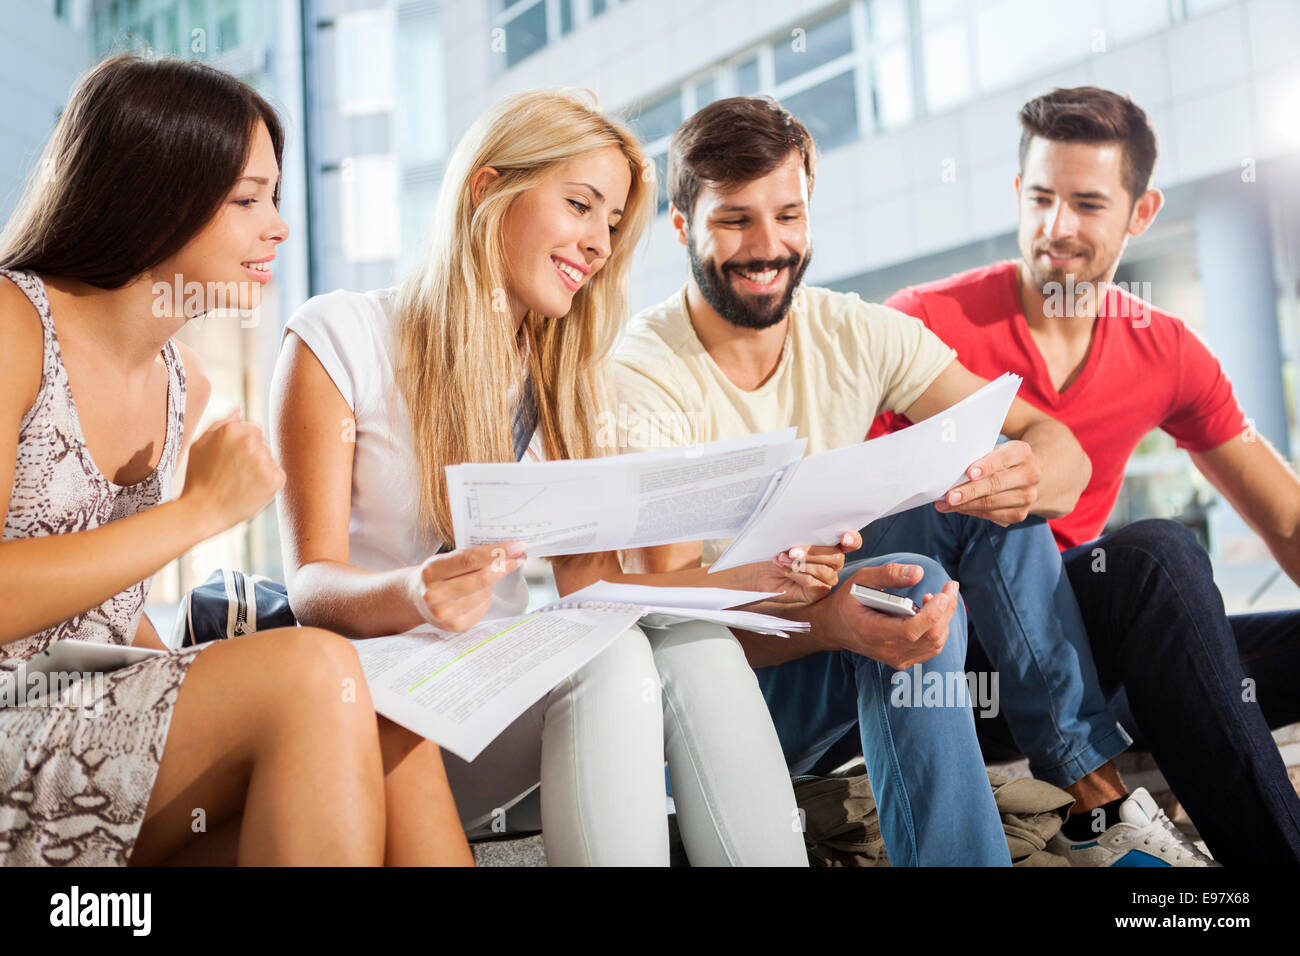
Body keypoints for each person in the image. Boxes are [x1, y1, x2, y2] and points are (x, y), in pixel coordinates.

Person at [270, 89, 846, 866]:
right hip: (381, 717)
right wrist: (414, 591)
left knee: (692, 644)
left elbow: (598, 591)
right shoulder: (338, 336)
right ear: (487, 189)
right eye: (580, 205)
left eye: (612, 225)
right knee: (605, 658)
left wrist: (764, 578)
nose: (600, 244)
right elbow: (309, 588)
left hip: (493, 698)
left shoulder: (567, 383)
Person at [611, 94, 1129, 864]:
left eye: (789, 215)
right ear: (684, 228)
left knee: (981, 508)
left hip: (833, 642)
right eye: (735, 220)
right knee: (899, 585)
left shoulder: (850, 329)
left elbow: (1052, 443)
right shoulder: (643, 373)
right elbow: (677, 611)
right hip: (727, 692)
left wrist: (1027, 474)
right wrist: (824, 619)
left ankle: (1096, 798)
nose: (768, 246)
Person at [0, 54, 472, 867]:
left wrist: (200, 675)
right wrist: (199, 514)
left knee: (379, 702)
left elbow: (106, 615)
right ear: (154, 196)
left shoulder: (184, 381)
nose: (278, 227)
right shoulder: (14, 328)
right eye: (247, 200)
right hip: (18, 721)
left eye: (276, 198)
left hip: (87, 718)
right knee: (315, 671)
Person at [872, 85, 1300, 867]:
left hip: (1089, 662)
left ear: (1141, 213)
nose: (1056, 228)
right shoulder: (924, 324)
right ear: (1017, 194)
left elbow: (1287, 520)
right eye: (1040, 198)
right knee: (1158, 558)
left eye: (1088, 204)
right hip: (969, 668)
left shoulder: (1165, 349)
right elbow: (854, 522)